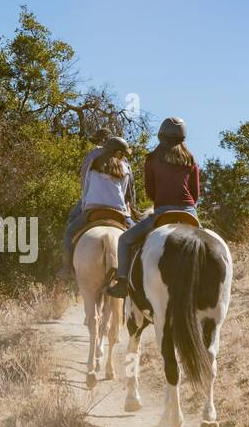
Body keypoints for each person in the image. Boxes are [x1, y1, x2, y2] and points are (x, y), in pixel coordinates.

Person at [105, 117, 200, 298]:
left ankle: (123, 282)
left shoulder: (152, 159)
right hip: (189, 213)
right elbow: (195, 195)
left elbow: (151, 193)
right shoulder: (191, 160)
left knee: (125, 240)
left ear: (161, 136)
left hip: (162, 214)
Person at [58, 128, 113, 277]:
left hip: (91, 201)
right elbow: (130, 187)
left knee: (70, 229)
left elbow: (84, 181)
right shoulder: (121, 158)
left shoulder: (91, 156)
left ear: (99, 141)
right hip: (117, 206)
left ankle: (67, 268)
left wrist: (87, 198)